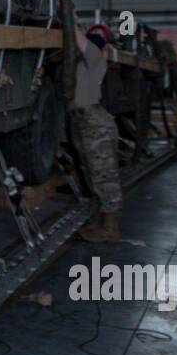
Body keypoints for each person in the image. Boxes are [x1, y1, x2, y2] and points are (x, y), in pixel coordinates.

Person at [72, 24, 121, 242]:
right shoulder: (86, 61)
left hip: (95, 123)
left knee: (104, 174)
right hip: (87, 120)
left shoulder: (95, 57)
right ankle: (101, 222)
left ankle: (110, 229)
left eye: (101, 36)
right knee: (95, 174)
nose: (95, 37)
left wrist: (67, 17)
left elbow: (78, 39)